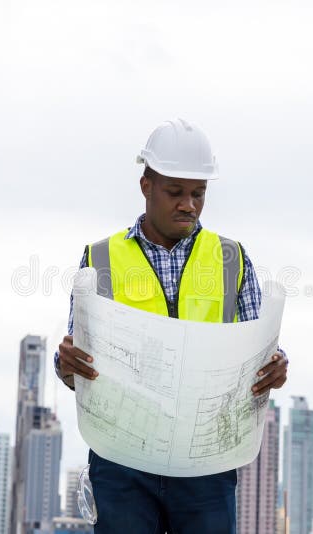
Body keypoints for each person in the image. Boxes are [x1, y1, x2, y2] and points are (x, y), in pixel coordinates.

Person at [54, 118, 288, 534]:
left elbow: (256, 347)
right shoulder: (101, 257)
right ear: (146, 185)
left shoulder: (231, 258)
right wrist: (65, 363)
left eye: (198, 194)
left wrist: (275, 365)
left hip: (205, 462)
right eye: (175, 192)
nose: (189, 205)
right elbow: (76, 368)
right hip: (122, 460)